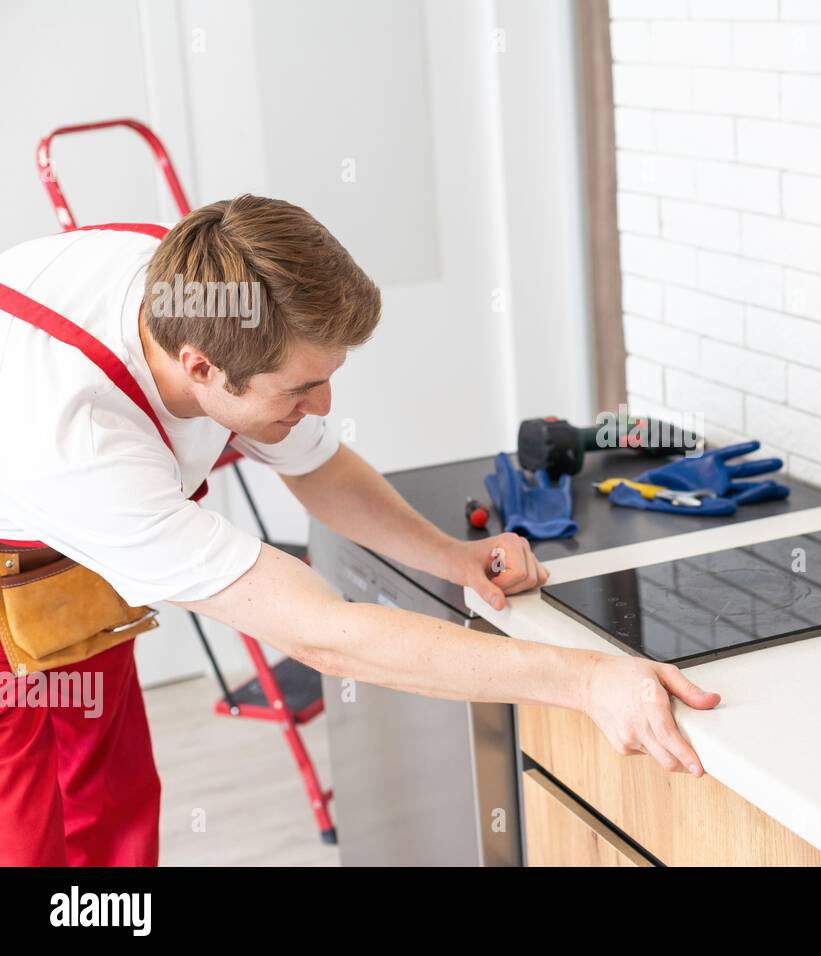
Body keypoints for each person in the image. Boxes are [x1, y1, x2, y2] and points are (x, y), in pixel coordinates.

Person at [0, 195, 720, 866]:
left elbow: (318, 468)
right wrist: (587, 683)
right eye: (300, 389)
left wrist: (452, 556)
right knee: (22, 814)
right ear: (200, 368)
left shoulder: (201, 288)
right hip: (23, 519)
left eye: (329, 376)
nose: (324, 405)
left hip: (62, 514)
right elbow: (324, 635)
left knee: (109, 782)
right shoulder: (84, 447)